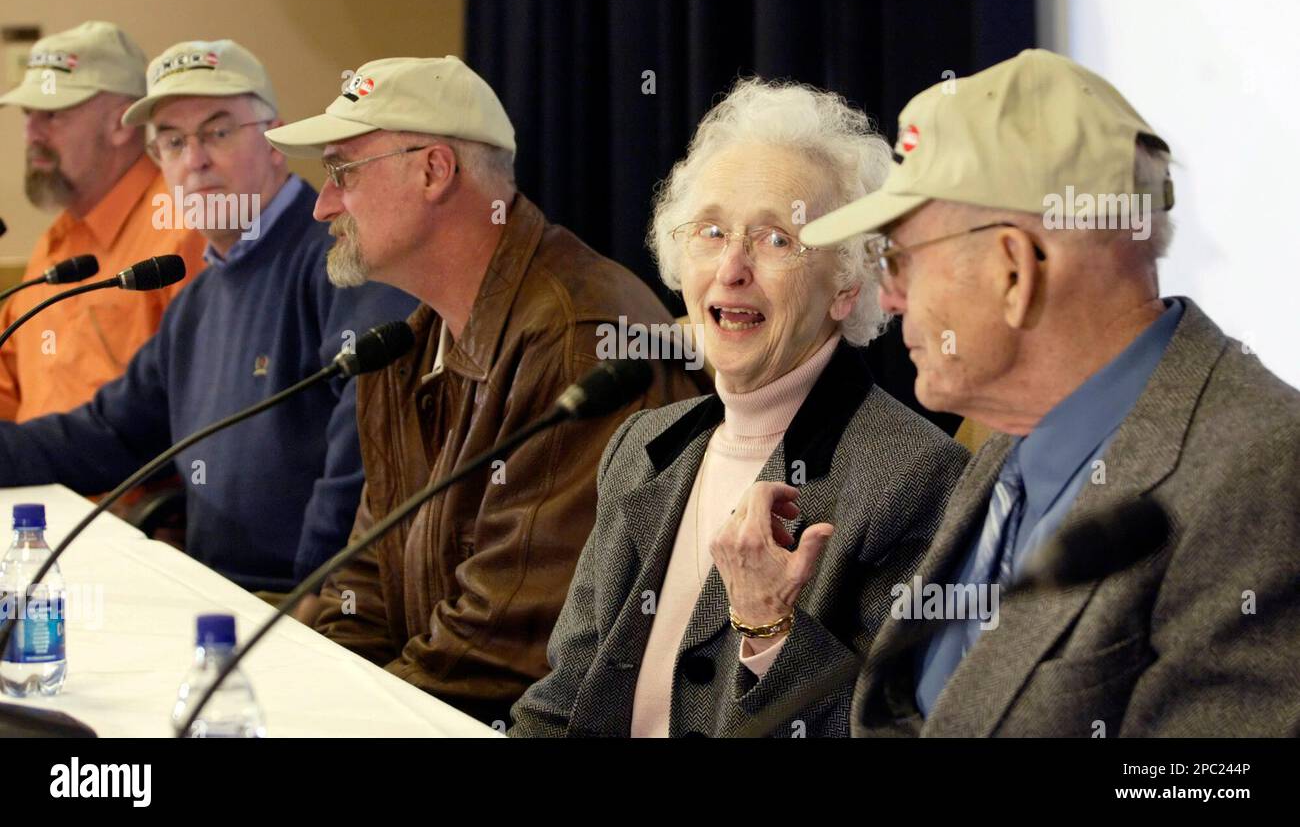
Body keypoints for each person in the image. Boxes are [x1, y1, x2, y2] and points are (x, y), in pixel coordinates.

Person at [801, 48, 1300, 737]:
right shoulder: (1006, 443)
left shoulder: (1264, 471)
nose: (887, 297)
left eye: (899, 258)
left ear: (1014, 269)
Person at [508, 78, 968, 737]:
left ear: (846, 281)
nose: (730, 269)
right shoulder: (642, 445)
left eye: (775, 239)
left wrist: (771, 632)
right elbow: (564, 699)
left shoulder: (918, 477)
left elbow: (885, 729)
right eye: (712, 231)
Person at [264, 55, 704, 723]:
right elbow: (365, 586)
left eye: (342, 170)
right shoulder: (403, 350)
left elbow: (508, 645)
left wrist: (345, 720)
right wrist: (325, 702)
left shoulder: (576, 335)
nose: (324, 203)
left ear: (434, 170)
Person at [0, 39, 416, 596]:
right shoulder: (199, 296)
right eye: (172, 141)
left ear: (274, 141)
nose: (193, 160)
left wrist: (316, 596)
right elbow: (109, 434)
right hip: (212, 591)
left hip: (303, 605)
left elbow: (367, 453)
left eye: (217, 133)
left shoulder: (338, 261)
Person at [0, 20, 204, 421]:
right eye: (28, 114)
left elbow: (197, 408)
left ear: (120, 123)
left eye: (52, 115)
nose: (31, 133)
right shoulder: (55, 243)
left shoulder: (183, 232)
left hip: (125, 483)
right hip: (31, 478)